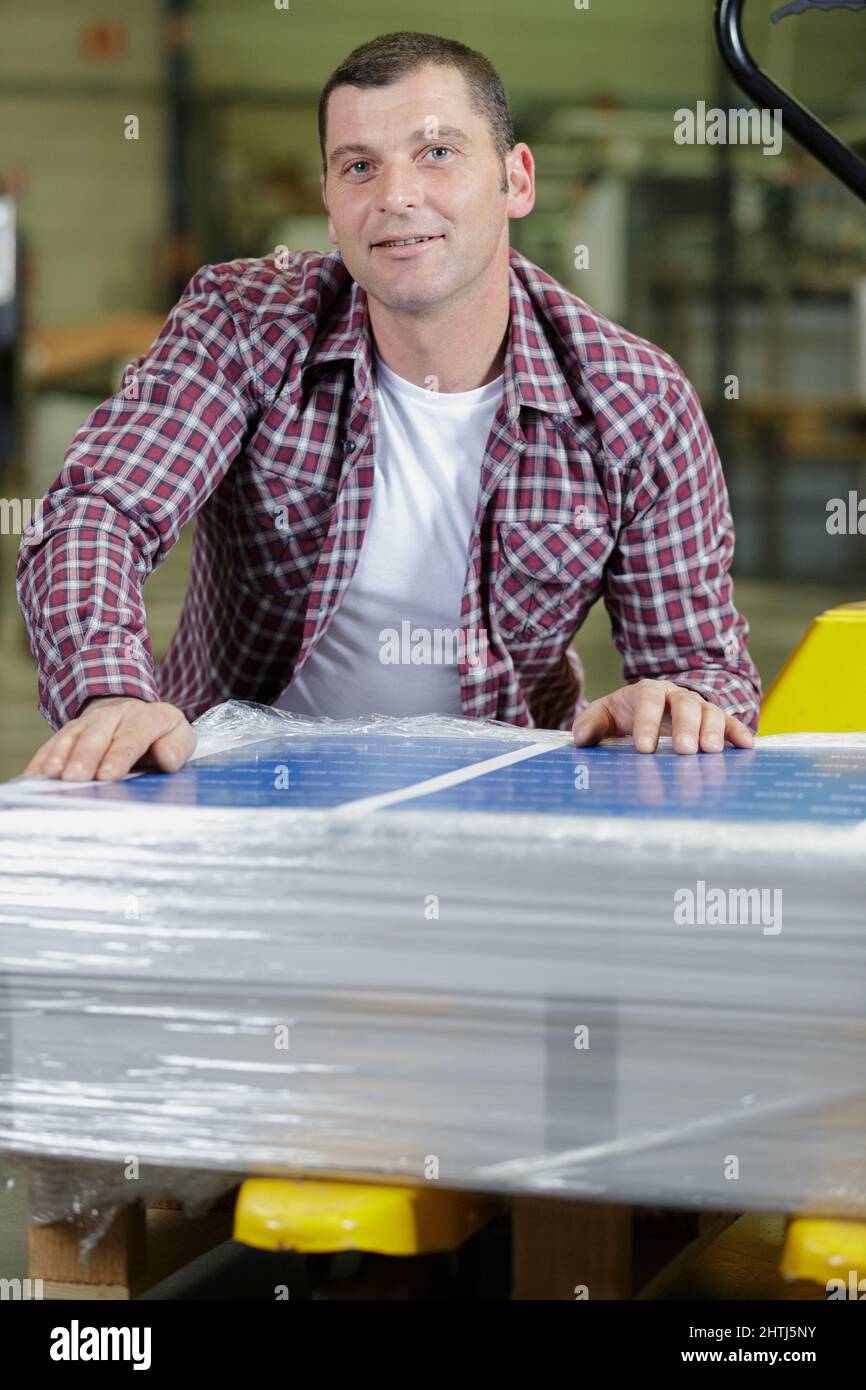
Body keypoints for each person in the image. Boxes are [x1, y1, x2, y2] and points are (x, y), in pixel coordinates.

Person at [18, 30, 760, 784]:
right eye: (359, 166)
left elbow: (699, 667)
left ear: (518, 180)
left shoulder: (635, 399)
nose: (396, 195)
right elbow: (100, 508)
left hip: (493, 791)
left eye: (437, 152)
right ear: (331, 205)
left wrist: (678, 703)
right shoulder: (243, 325)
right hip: (234, 788)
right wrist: (110, 694)